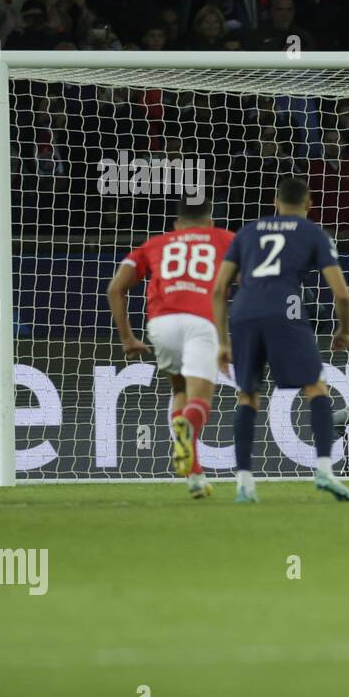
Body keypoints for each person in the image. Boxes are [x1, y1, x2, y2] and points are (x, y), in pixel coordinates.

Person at [211, 176, 349, 503]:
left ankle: (245, 483)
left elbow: (220, 288)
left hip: (244, 313)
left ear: (275, 204)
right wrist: (343, 330)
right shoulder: (313, 233)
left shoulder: (247, 232)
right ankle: (323, 470)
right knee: (315, 388)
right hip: (285, 312)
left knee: (247, 396)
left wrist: (222, 341)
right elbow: (342, 294)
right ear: (309, 204)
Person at [105, 198, 235, 499]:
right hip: (201, 321)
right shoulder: (223, 238)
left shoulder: (155, 244)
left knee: (180, 391)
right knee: (200, 401)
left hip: (161, 324)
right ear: (210, 222)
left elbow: (115, 288)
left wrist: (127, 338)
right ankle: (184, 438)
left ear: (177, 225)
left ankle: (194, 477)